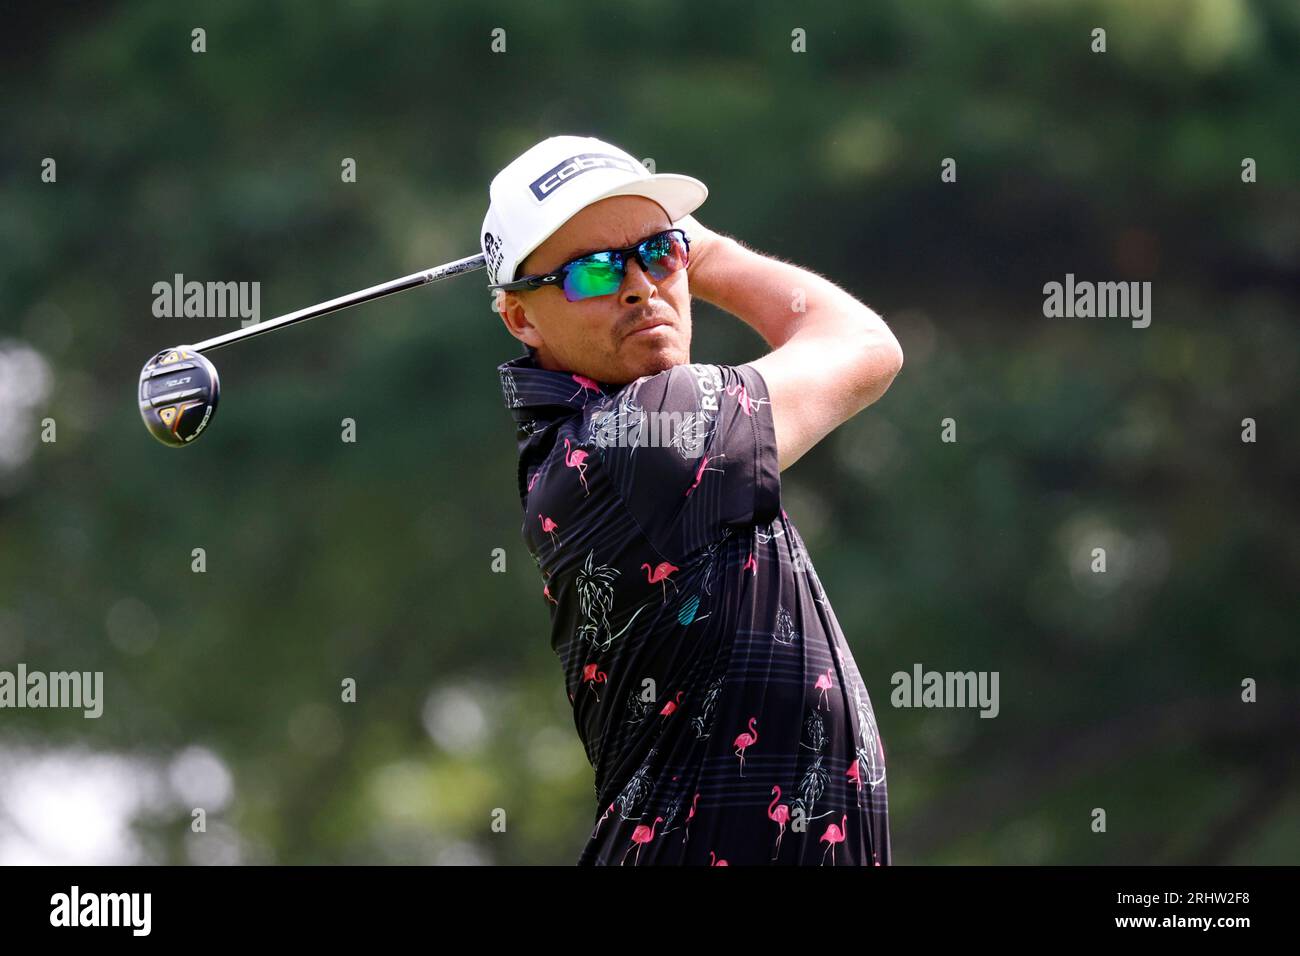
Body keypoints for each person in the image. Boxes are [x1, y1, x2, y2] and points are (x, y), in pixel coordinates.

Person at [483, 135, 904, 865]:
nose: (641, 286)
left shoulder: (580, 447)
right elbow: (865, 345)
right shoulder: (652, 428)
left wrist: (664, 244)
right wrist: (703, 254)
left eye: (658, 253)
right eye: (591, 273)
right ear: (521, 320)